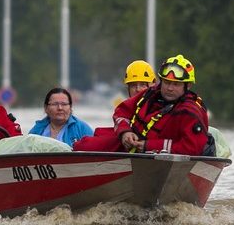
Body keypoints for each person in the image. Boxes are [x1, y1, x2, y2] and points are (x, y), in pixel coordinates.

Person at [75, 54, 212, 156]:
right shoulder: (150, 94)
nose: (169, 88)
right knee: (82, 145)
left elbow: (192, 148)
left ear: (187, 85)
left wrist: (148, 146)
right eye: (166, 82)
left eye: (176, 84)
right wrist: (125, 132)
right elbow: (122, 112)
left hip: (159, 160)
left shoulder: (191, 111)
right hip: (128, 148)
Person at [29, 87, 93, 146]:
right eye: (55, 104)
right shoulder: (37, 130)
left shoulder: (82, 129)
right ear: (46, 108)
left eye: (64, 104)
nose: (60, 108)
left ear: (70, 107)